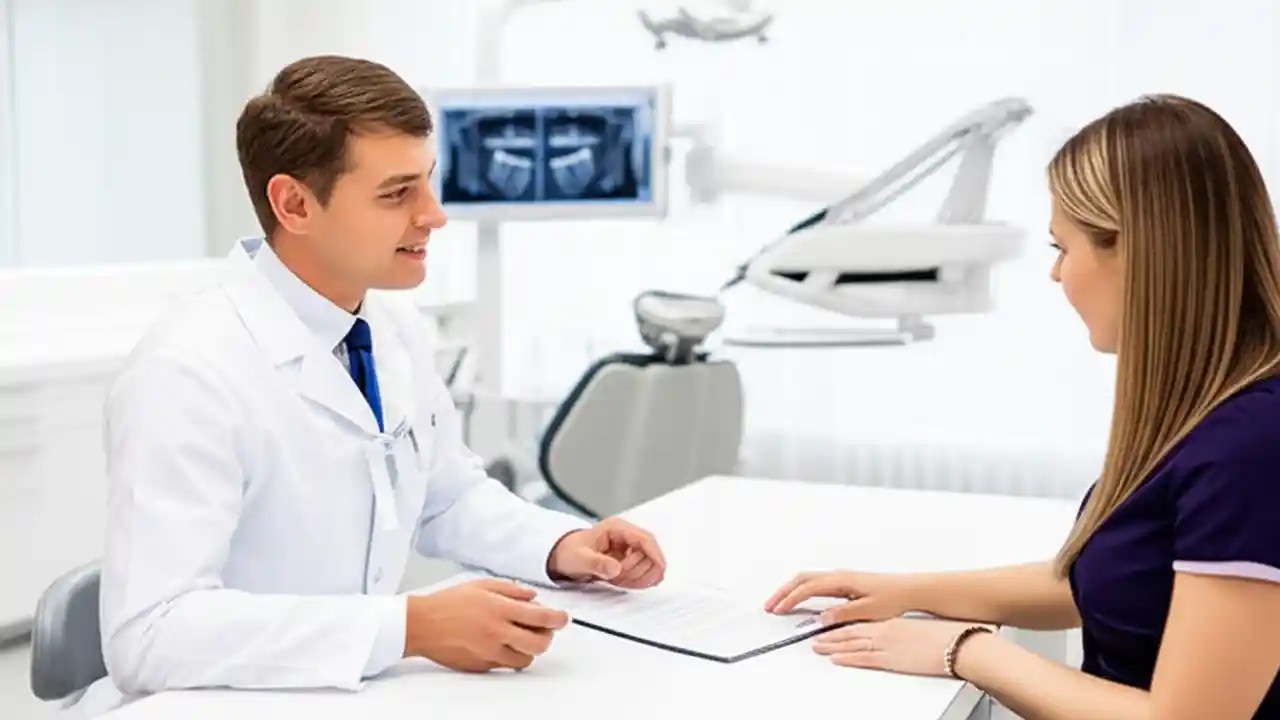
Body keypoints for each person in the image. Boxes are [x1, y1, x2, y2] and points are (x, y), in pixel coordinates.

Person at [74, 55, 668, 715]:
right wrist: (409, 628)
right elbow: (150, 636)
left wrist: (561, 546)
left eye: (428, 184)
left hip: (343, 692)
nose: (434, 216)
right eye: (397, 193)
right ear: (294, 203)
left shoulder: (390, 328)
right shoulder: (186, 372)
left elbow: (446, 498)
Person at [766, 95, 1280, 718]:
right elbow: (1104, 582)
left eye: (1062, 247)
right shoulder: (1204, 413)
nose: (1058, 275)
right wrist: (907, 590)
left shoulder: (1252, 446)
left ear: (1137, 251)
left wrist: (965, 650)